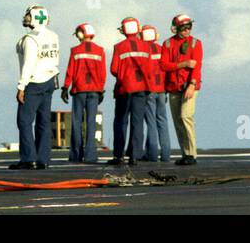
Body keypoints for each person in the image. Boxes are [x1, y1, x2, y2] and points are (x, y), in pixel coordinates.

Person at [13, 5, 61, 170]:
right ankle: (43, 158)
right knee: (44, 121)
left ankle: (28, 158)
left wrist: (21, 86)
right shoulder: (53, 36)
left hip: (34, 83)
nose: (26, 19)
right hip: (50, 80)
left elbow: (28, 64)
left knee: (25, 121)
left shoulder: (30, 39)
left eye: (28, 16)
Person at [107, 16, 150, 166]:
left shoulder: (119, 47)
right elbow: (150, 68)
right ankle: (134, 155)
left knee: (120, 121)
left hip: (124, 89)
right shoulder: (146, 47)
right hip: (142, 88)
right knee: (137, 122)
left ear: (124, 30)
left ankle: (119, 155)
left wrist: (124, 76)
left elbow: (113, 69)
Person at [60, 22, 105, 164]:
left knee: (77, 121)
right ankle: (91, 155)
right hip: (94, 90)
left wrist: (65, 88)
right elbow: (102, 73)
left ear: (81, 34)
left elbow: (70, 71)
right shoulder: (100, 50)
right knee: (91, 122)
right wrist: (101, 90)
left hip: (79, 90)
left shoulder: (75, 51)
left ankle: (75, 155)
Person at [161, 13, 203, 165]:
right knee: (178, 121)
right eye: (183, 28)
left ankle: (192, 154)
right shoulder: (167, 44)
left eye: (189, 27)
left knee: (186, 117)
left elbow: (197, 67)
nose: (187, 30)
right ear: (176, 28)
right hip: (173, 87)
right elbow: (163, 65)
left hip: (189, 87)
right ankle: (185, 153)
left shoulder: (196, 44)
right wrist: (183, 64)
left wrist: (192, 85)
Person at [140, 24, 171, 163]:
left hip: (149, 91)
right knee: (163, 122)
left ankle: (151, 155)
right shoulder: (162, 50)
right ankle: (165, 154)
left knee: (151, 122)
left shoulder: (142, 51)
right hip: (162, 90)